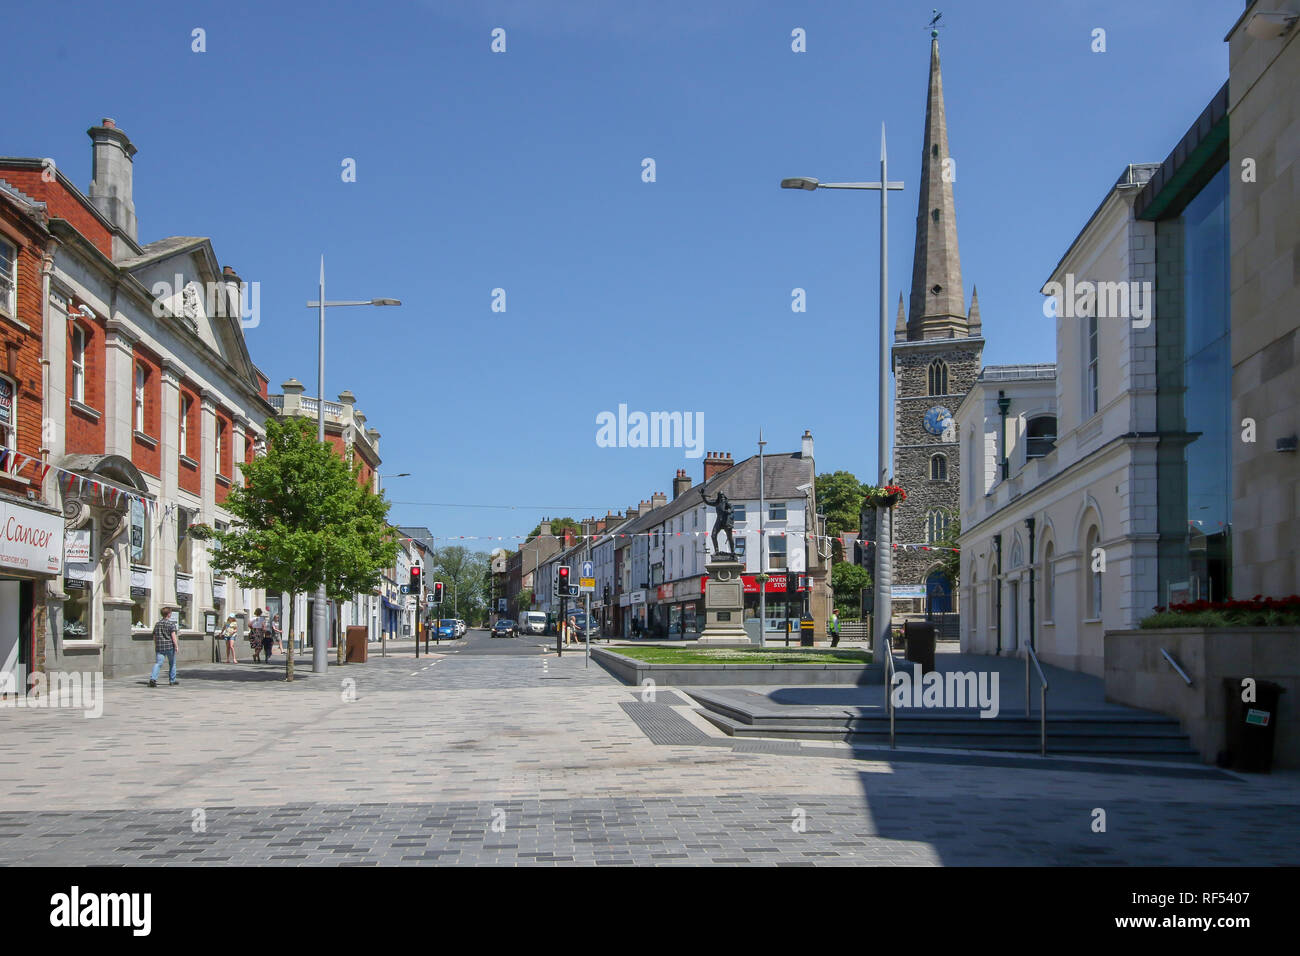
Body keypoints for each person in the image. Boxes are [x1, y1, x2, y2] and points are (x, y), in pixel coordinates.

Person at [148, 607, 179, 687]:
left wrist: (156, 645)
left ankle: (153, 679)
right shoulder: (171, 624)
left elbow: (154, 636)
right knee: (172, 663)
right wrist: (176, 646)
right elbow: (173, 636)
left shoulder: (157, 624)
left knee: (158, 663)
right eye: (170, 613)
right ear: (169, 614)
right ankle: (172, 680)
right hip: (169, 647)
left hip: (160, 647)